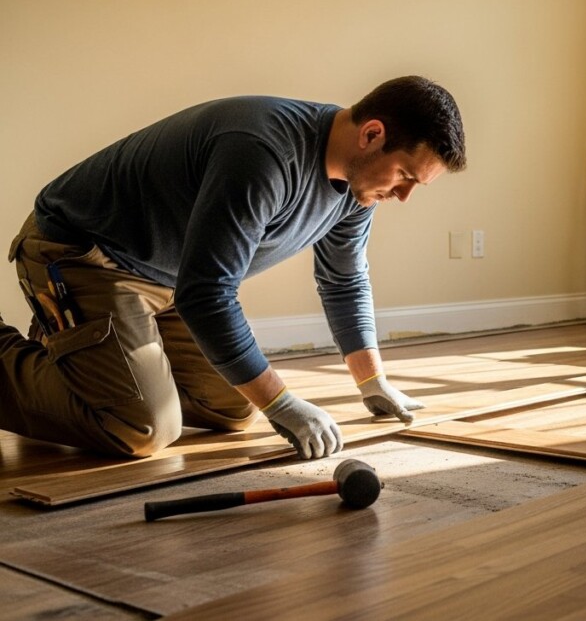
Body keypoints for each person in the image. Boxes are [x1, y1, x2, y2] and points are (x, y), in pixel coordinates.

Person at [0, 76, 466, 460]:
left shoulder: (358, 187)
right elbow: (208, 295)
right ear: (372, 134)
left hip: (169, 278)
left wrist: (372, 381)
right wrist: (282, 402)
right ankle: (53, 351)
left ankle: (83, 354)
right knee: (141, 427)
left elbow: (343, 279)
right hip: (84, 254)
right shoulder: (263, 152)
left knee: (231, 407)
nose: (403, 196)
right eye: (405, 175)